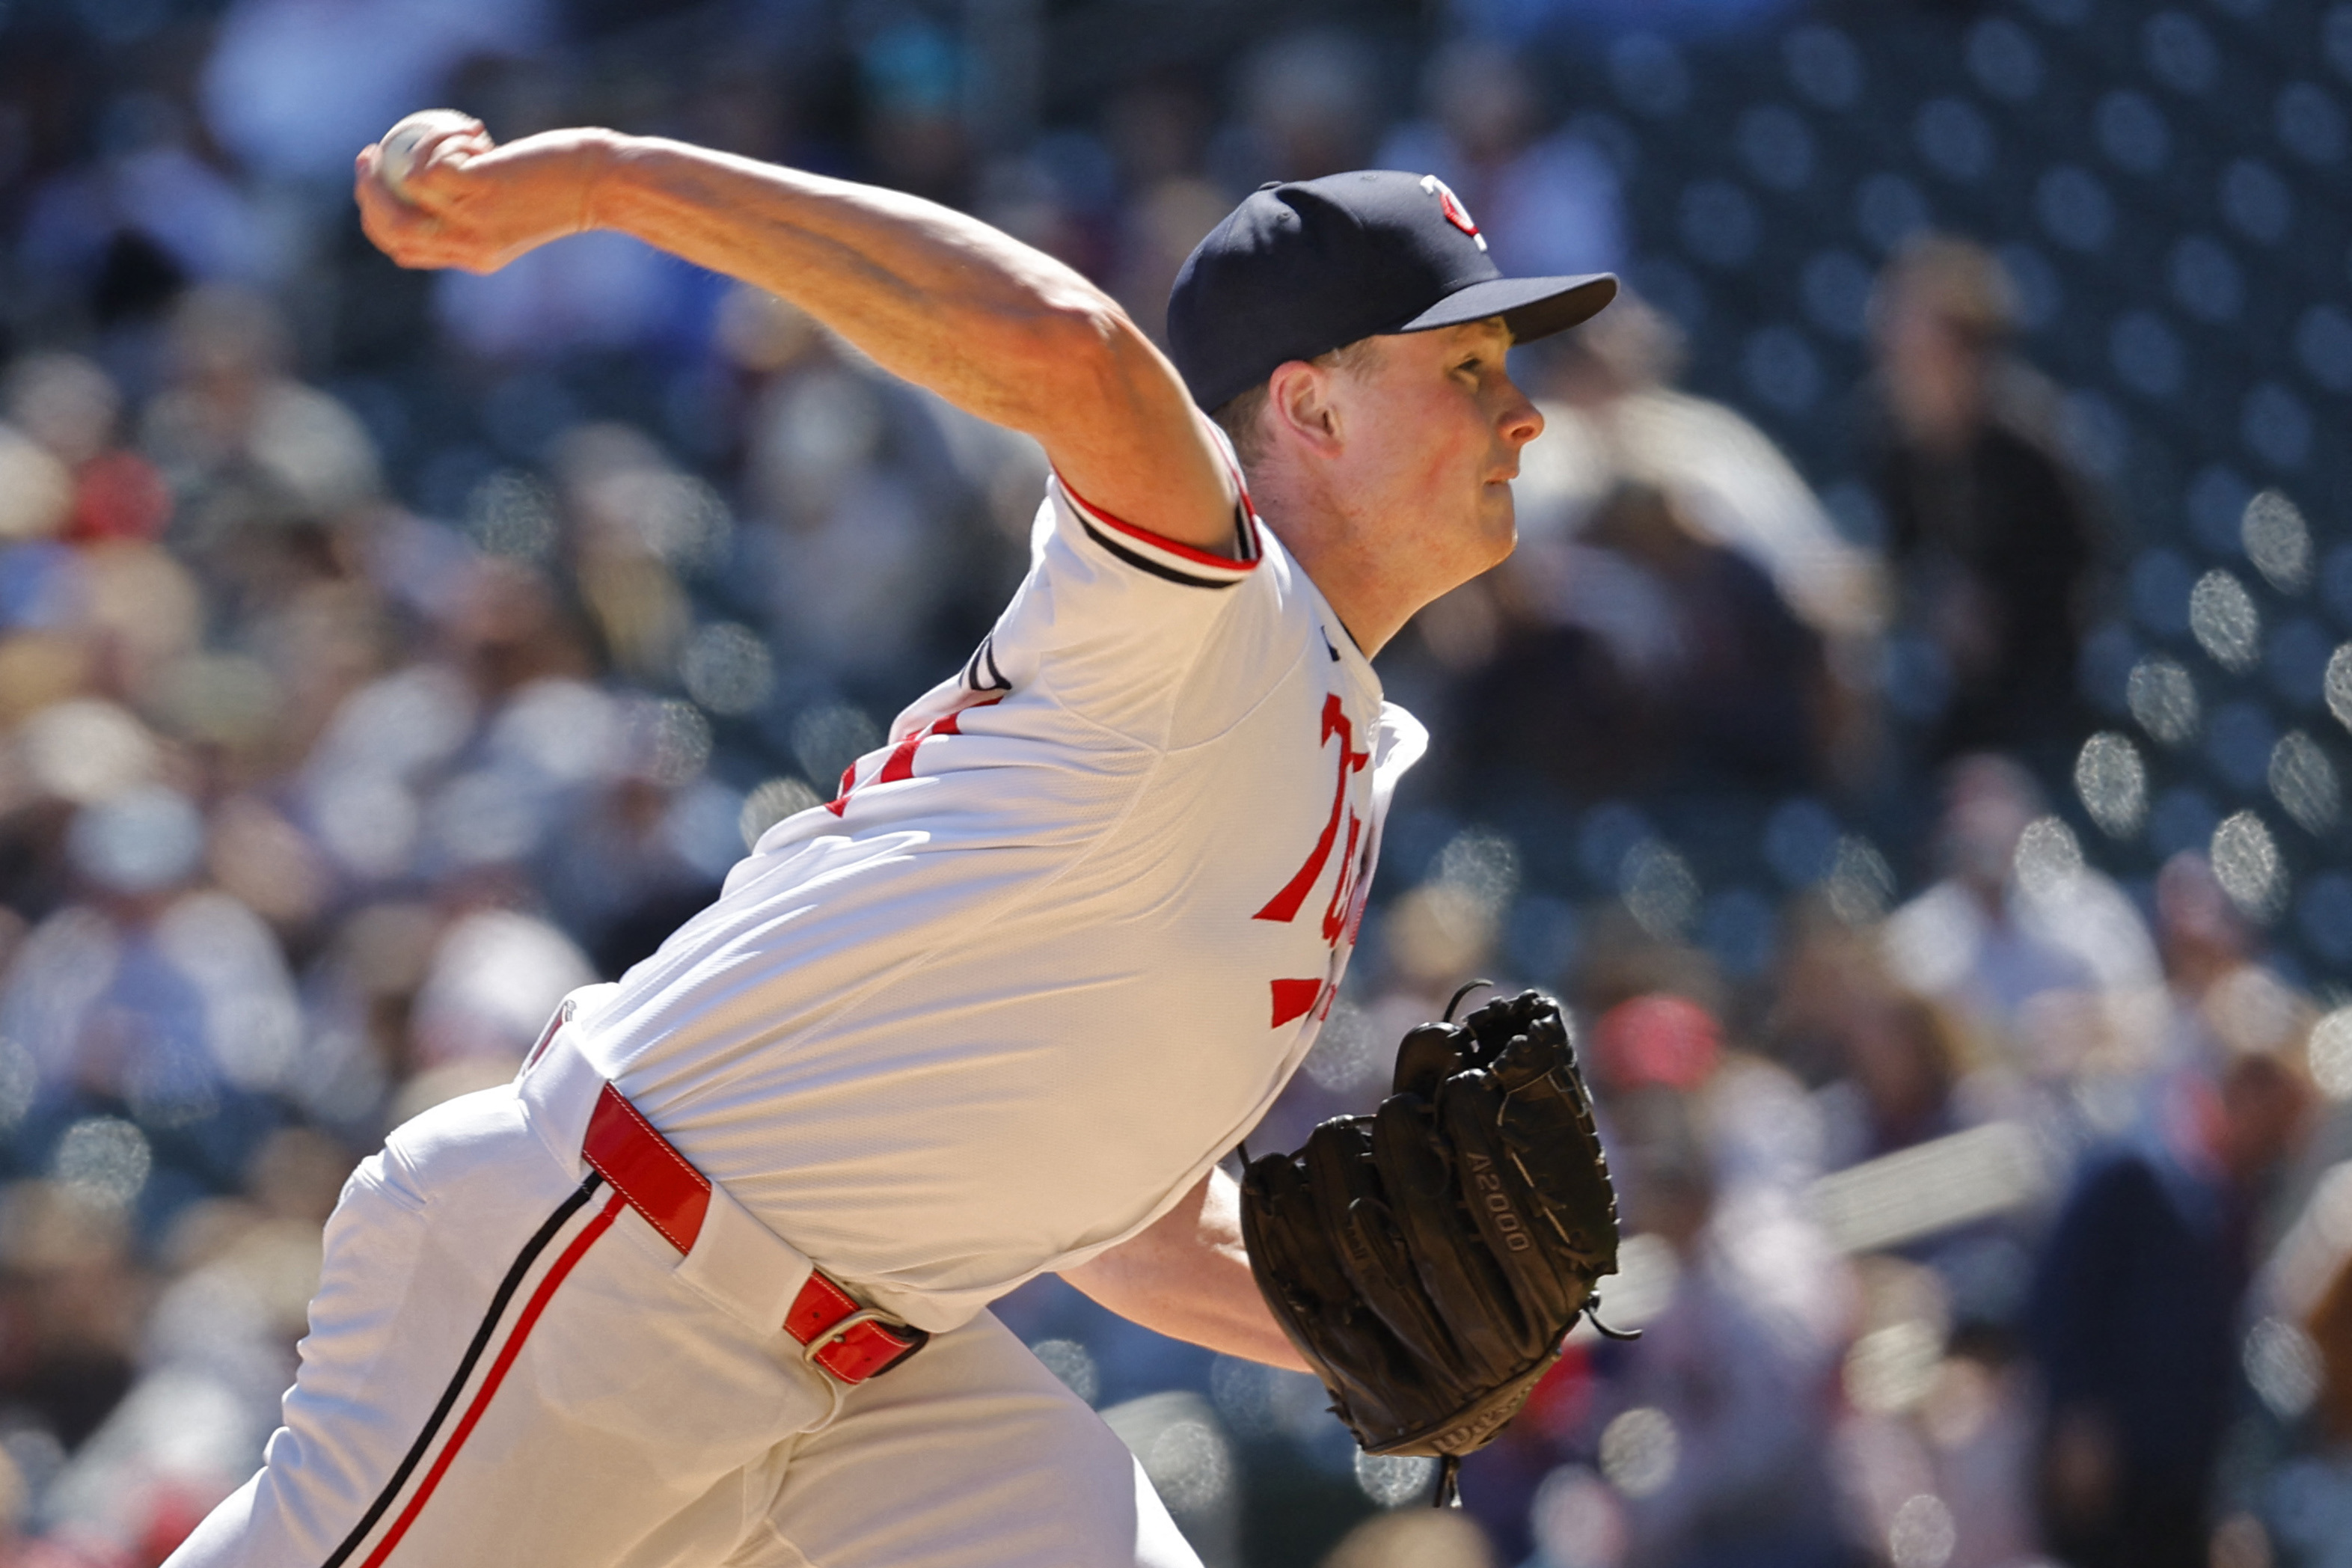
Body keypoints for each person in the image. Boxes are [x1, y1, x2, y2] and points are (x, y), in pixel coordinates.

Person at [164, 120, 1614, 1568]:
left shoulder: (1329, 748)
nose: (1524, 414)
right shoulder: (1214, 612)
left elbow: (1128, 1227)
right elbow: (1072, 347)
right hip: (612, 1265)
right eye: (1467, 369)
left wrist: (1374, 1335)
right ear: (1308, 408)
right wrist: (606, 178)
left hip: (874, 1372)